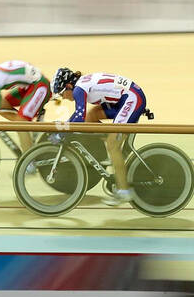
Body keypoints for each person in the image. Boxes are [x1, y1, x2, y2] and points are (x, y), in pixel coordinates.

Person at [50, 67, 152, 206]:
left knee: (112, 145)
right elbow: (83, 117)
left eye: (62, 94)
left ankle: (124, 191)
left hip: (132, 99)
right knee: (91, 117)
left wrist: (62, 131)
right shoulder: (80, 85)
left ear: (68, 86)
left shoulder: (79, 90)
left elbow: (78, 118)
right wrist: (65, 126)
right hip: (125, 98)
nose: (63, 98)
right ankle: (114, 147)